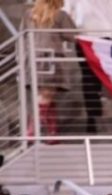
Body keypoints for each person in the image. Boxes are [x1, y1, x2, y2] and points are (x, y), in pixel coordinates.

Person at [21, 0, 77, 138]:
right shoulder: (60, 15)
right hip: (53, 59)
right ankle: (31, 131)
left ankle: (52, 133)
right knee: (46, 96)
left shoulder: (29, 14)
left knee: (47, 96)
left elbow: (22, 36)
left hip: (34, 59)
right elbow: (72, 36)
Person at [64, 0, 112, 134]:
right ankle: (95, 112)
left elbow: (66, 12)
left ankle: (93, 115)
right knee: (95, 74)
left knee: (89, 75)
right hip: (100, 34)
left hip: (87, 33)